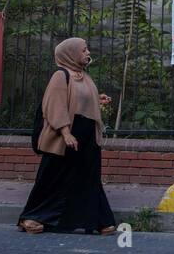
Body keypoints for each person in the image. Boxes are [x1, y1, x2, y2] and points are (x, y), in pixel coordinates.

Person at [18, 37, 116, 235]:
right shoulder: (60, 75)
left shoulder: (83, 76)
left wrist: (97, 99)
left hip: (87, 137)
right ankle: (31, 217)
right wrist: (65, 133)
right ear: (70, 54)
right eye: (83, 50)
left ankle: (99, 220)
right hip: (66, 137)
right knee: (53, 176)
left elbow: (77, 99)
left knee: (88, 177)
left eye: (87, 49)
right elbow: (55, 105)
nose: (88, 53)